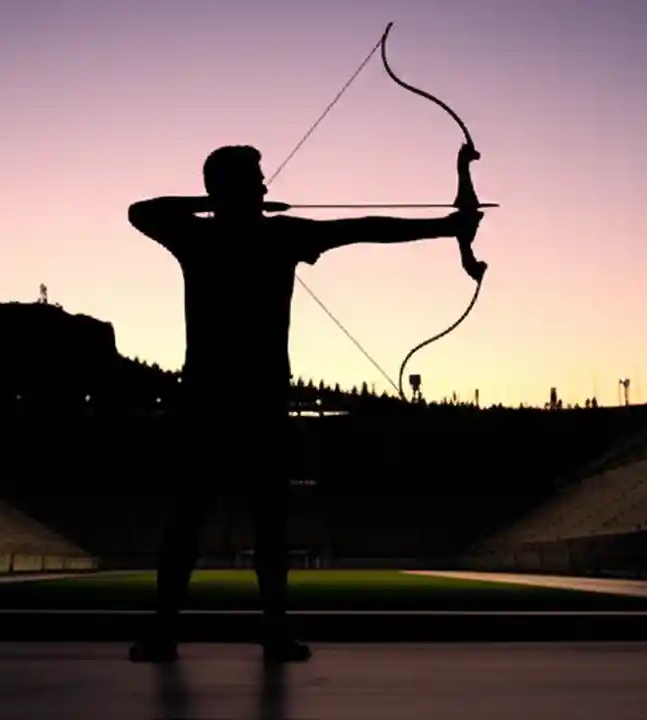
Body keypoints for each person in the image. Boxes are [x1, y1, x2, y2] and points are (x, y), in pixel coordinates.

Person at [126, 144, 482, 663]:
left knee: (242, 523)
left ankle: (218, 633)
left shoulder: (201, 234)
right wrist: (447, 228)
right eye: (255, 179)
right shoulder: (258, 234)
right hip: (237, 400)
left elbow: (364, 227)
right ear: (231, 187)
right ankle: (204, 634)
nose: (265, 186)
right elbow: (139, 210)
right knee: (205, 521)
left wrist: (445, 228)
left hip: (225, 399)